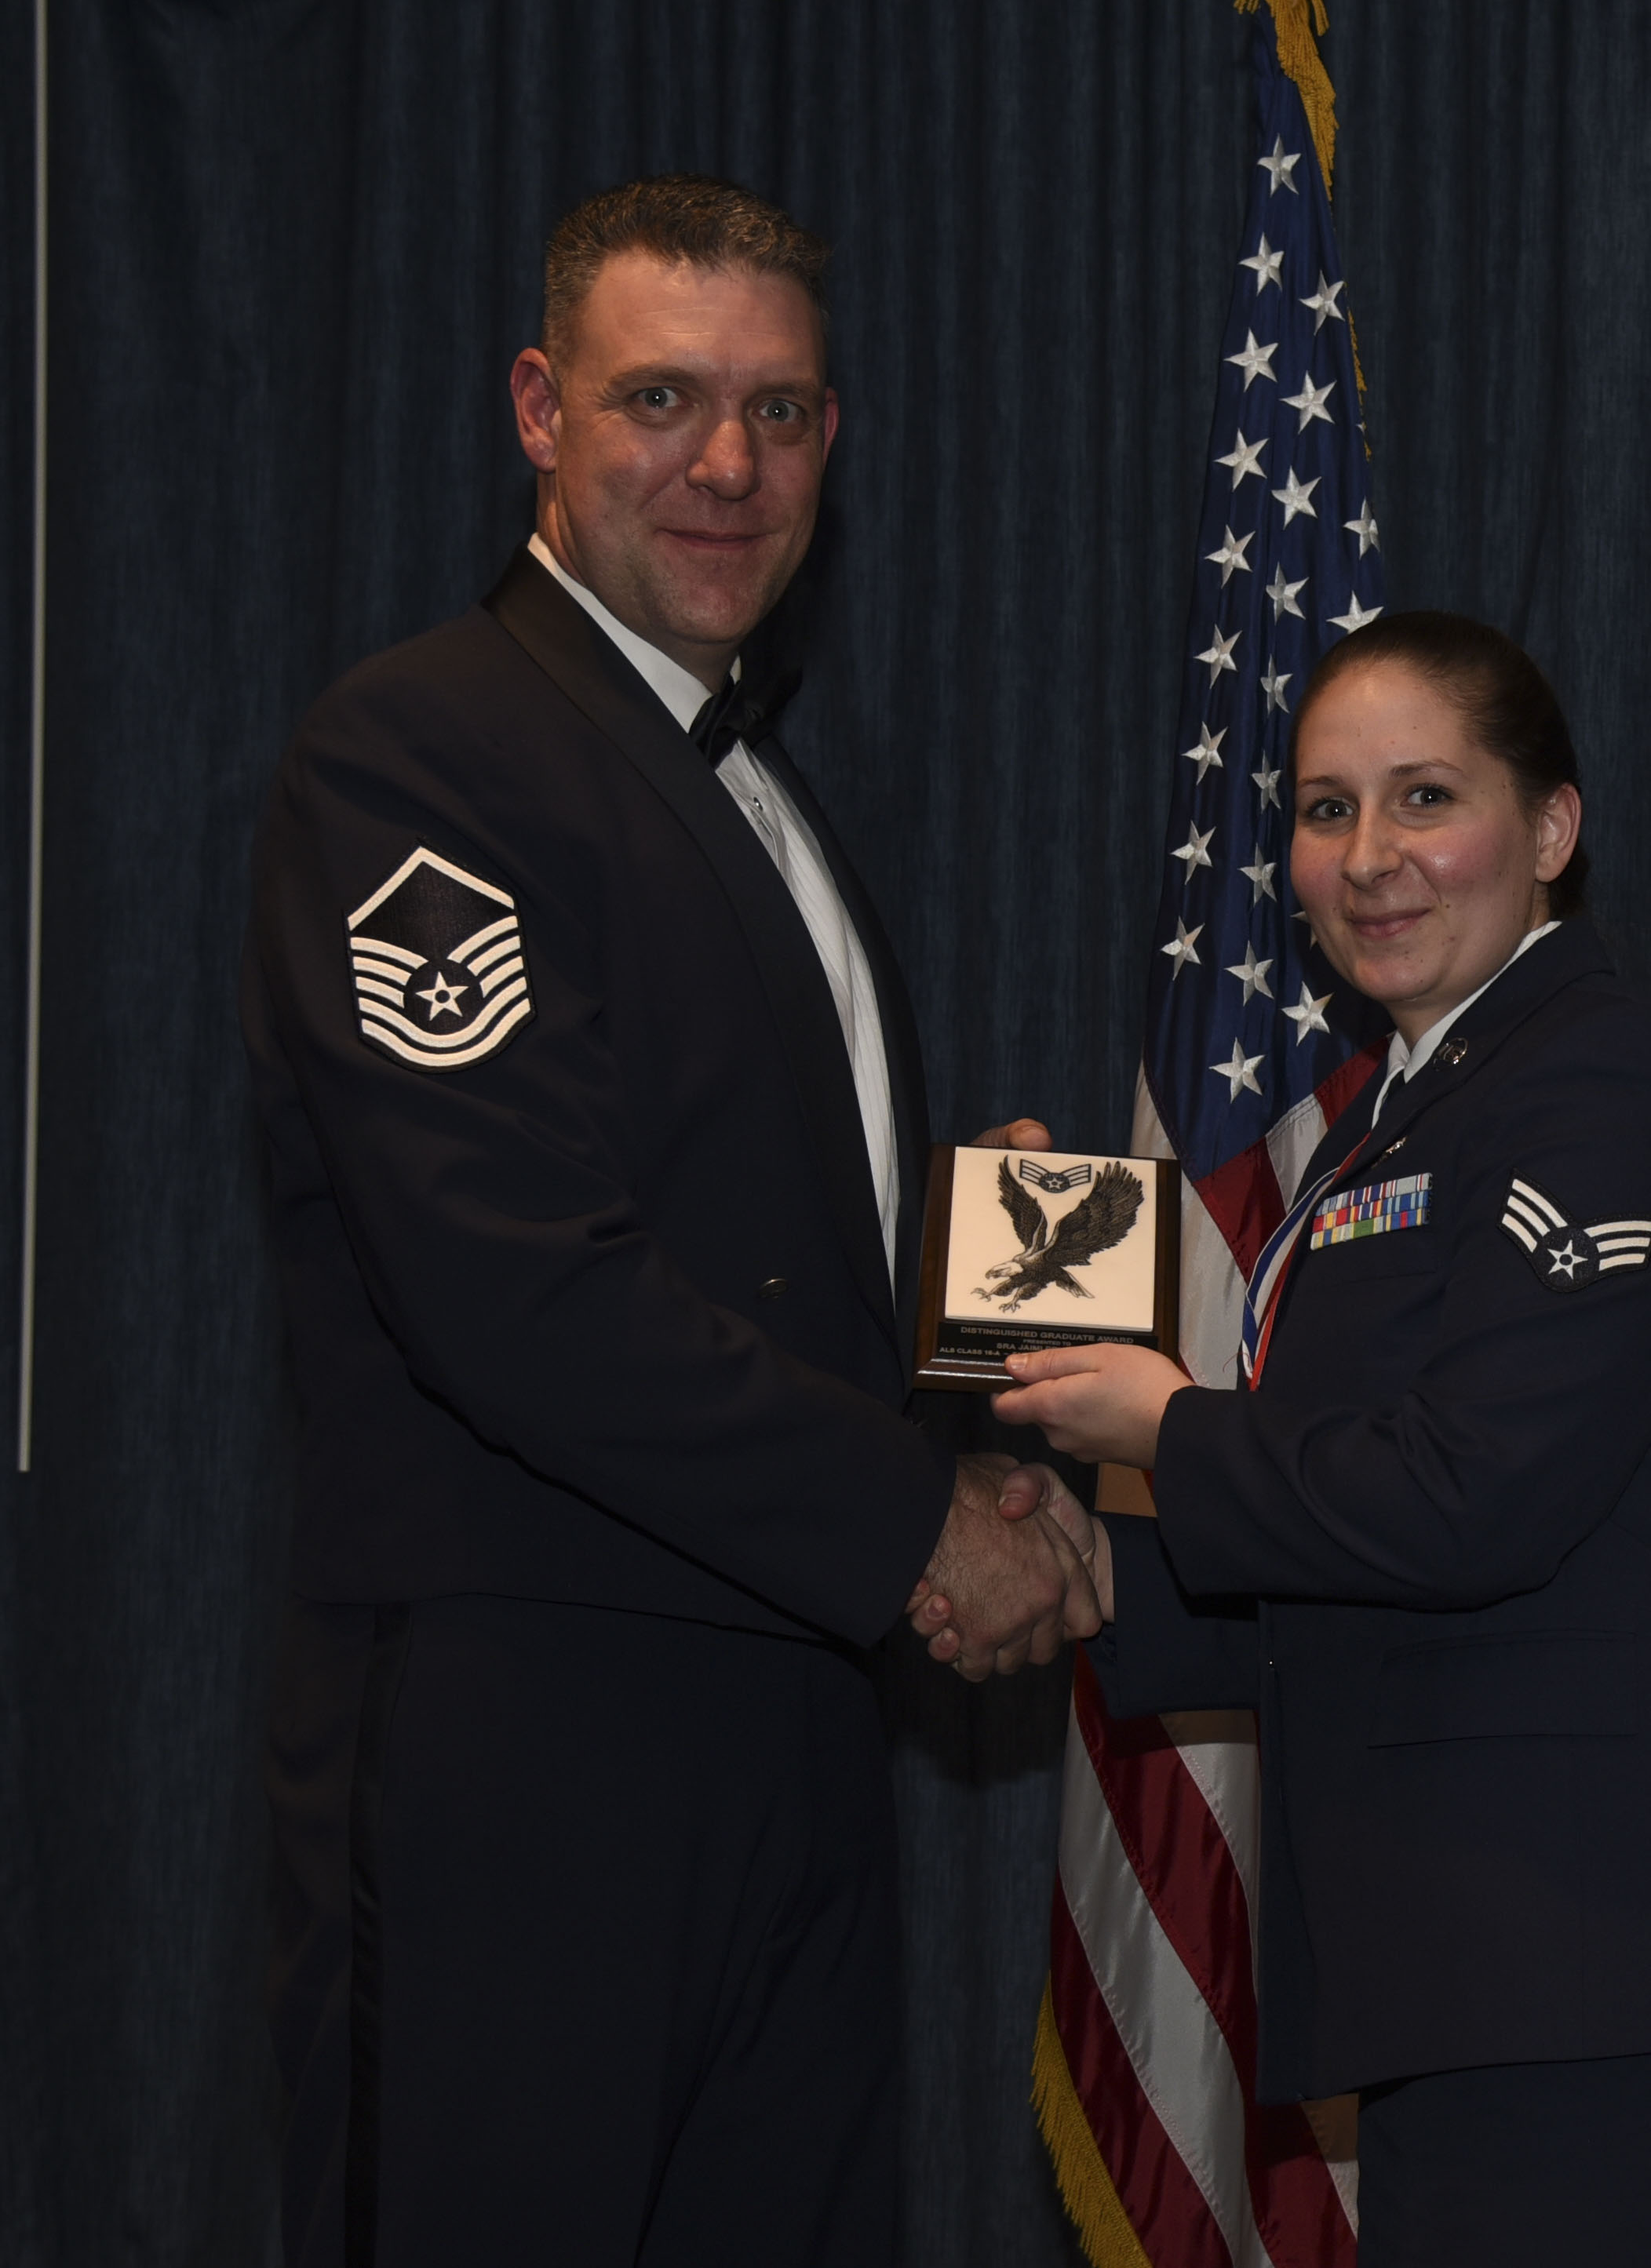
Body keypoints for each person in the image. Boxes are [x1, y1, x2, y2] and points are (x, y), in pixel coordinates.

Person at [244, 175, 1096, 2267]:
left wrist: (992, 1326)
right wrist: (917, 1530)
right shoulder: (421, 751)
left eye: (783, 410)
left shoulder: (761, 790)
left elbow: (752, 1254)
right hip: (527, 1750)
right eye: (663, 398)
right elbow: (517, 1284)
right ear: (540, 408)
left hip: (788, 1732)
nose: (728, 462)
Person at [979, 611, 1651, 2267]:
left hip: (1630, 1981)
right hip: (1495, 1975)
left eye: (1424, 798)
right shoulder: (1392, 1113)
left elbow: (1475, 1499)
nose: (1370, 857)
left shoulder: (1606, 1076)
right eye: (1326, 811)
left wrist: (1171, 1426)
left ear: (1552, 829)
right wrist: (1081, 1572)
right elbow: (1355, 1543)